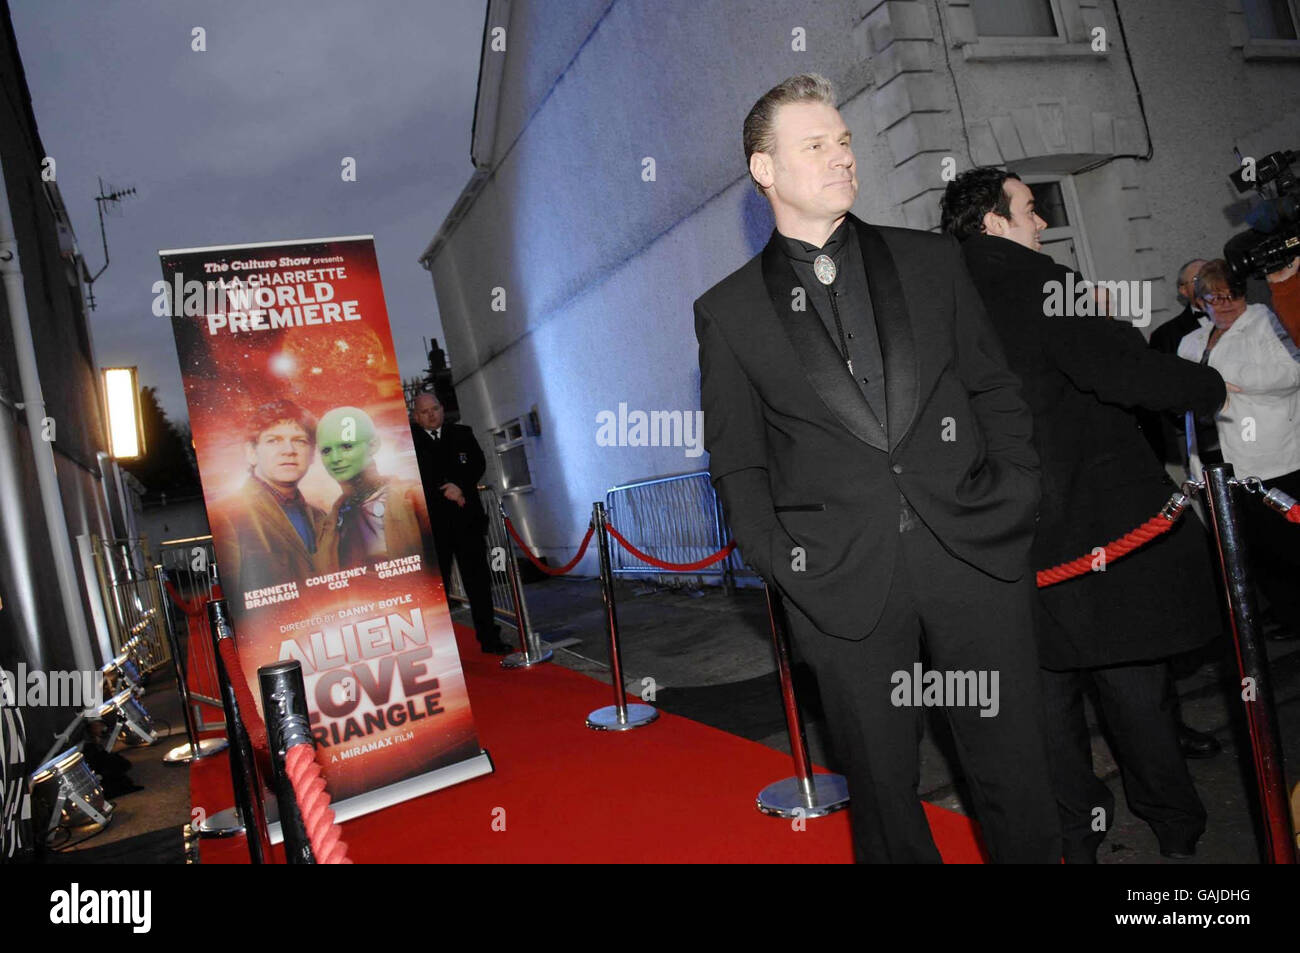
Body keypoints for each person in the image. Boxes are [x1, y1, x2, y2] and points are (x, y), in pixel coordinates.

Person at [695, 74, 1059, 863]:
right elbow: (738, 462)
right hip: (838, 579)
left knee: (1017, 773)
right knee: (886, 797)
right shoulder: (727, 313)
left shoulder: (932, 262)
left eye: (845, 140)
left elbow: (995, 387)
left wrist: (1016, 492)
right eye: (816, 144)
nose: (841, 157)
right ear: (764, 169)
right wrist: (784, 563)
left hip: (973, 550)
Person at [941, 166, 1227, 862]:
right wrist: (1209, 384)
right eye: (1030, 209)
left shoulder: (938, 303)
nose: (1041, 222)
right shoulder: (1042, 283)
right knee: (1135, 696)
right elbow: (1121, 373)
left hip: (1006, 548)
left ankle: (1080, 834)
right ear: (993, 221)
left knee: (1047, 712)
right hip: (1099, 538)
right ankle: (1174, 834)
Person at [1180, 259, 1300, 639]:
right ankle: (1289, 617)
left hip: (1274, 458)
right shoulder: (1191, 341)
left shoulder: (1268, 320)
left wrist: (1224, 380)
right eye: (1216, 299)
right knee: (1255, 552)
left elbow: (1291, 375)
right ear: (1200, 302)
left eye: (1233, 296)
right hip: (1219, 461)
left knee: (1289, 548)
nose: (1227, 305)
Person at [410, 393, 511, 655]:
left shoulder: (462, 433)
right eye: (425, 412)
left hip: (467, 521)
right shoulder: (409, 441)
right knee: (436, 591)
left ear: (442, 409)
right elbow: (413, 477)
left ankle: (490, 639)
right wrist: (443, 489)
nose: (431, 415)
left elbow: (477, 464)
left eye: (435, 408)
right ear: (415, 416)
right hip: (433, 529)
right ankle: (438, 649)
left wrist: (460, 486)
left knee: (478, 584)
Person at [208, 400, 329, 599]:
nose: (289, 450)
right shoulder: (225, 516)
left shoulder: (320, 516)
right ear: (251, 452)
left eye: (300, 440)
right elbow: (235, 602)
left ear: (312, 454)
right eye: (273, 440)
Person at [315, 406, 430, 569]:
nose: (335, 458)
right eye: (326, 450)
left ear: (374, 445)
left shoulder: (413, 499)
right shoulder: (329, 524)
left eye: (347, 446)